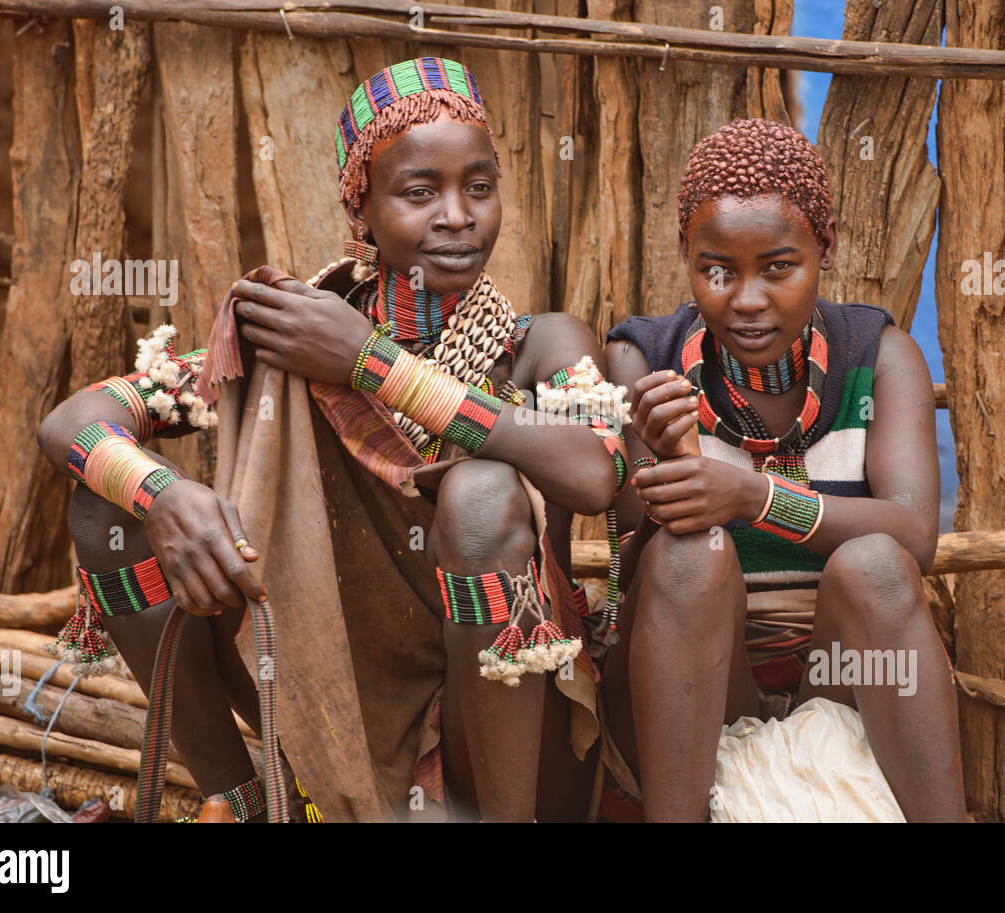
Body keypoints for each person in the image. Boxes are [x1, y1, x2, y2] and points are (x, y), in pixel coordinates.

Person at [37, 58, 626, 822]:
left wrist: (369, 364)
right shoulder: (297, 335)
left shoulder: (540, 342)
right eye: (420, 191)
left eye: (478, 187)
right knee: (103, 509)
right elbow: (68, 422)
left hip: (503, 732)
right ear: (363, 207)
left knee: (482, 493)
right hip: (328, 689)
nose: (457, 214)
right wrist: (167, 494)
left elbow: (593, 472)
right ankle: (241, 799)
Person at [601, 118, 967, 822]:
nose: (746, 298)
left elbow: (915, 532)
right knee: (689, 555)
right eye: (717, 269)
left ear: (823, 248)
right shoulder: (643, 362)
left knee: (877, 565)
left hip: (843, 678)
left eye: (777, 267)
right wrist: (663, 463)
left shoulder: (878, 357)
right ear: (684, 254)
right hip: (694, 690)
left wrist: (751, 494)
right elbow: (637, 576)